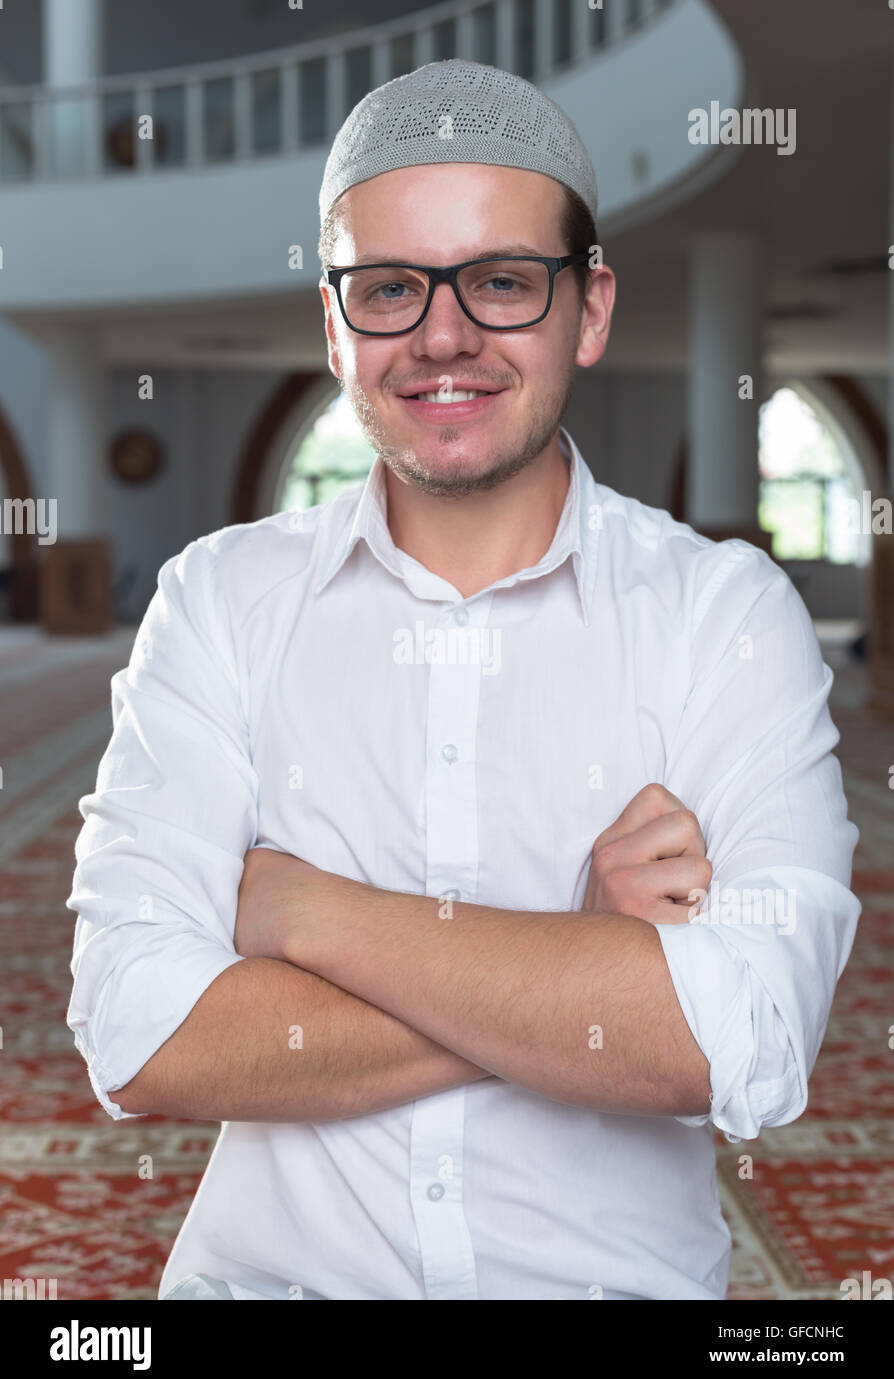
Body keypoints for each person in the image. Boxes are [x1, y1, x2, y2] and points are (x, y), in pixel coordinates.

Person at [66, 58, 860, 1301]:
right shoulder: (219, 603)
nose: (443, 334)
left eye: (500, 280)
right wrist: (581, 962)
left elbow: (743, 1039)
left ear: (589, 310)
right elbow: (139, 1030)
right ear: (335, 326)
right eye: (389, 288)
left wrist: (309, 916)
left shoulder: (725, 616)